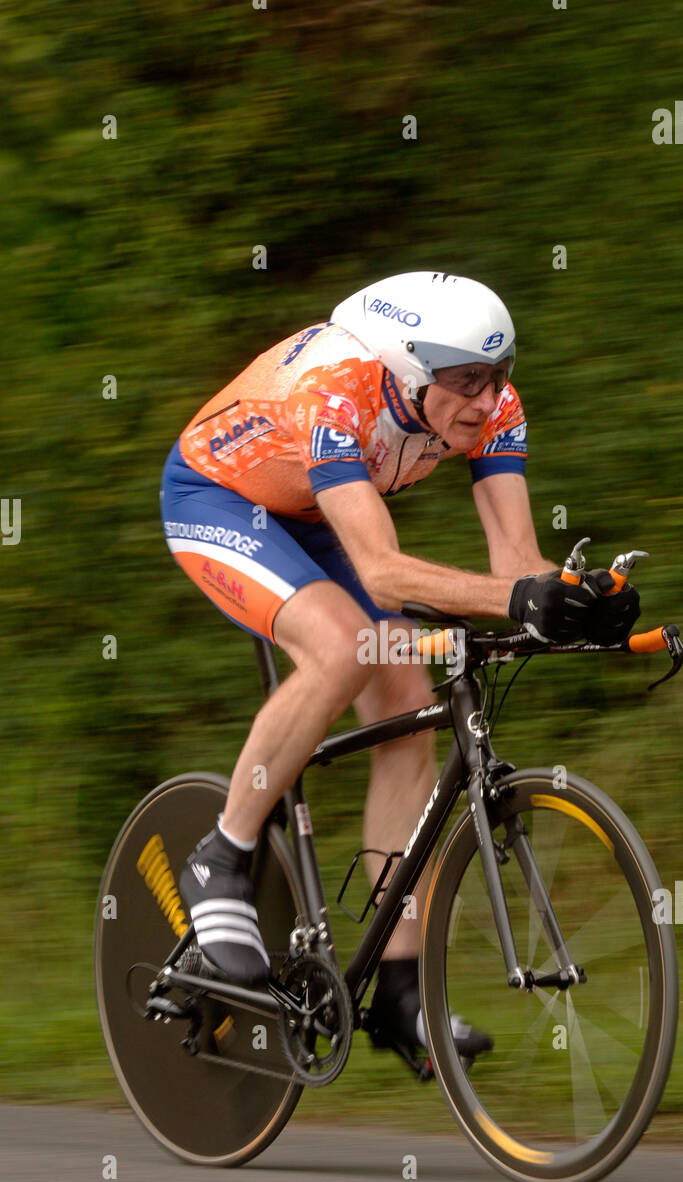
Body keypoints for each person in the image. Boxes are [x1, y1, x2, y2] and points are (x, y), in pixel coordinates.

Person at [159, 270, 639, 1064]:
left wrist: (580, 600)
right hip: (217, 498)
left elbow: (515, 561)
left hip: (313, 515)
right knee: (343, 645)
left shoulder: (494, 409)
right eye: (465, 381)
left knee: (406, 704)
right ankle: (222, 854)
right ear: (411, 371)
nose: (486, 401)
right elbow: (382, 573)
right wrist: (516, 597)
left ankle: (398, 992)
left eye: (498, 375)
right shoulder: (336, 393)